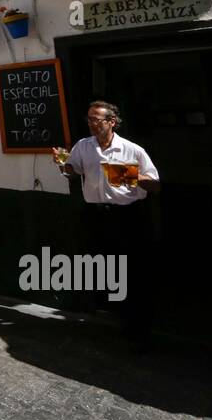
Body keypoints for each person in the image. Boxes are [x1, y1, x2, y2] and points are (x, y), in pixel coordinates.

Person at [53, 100, 160, 351]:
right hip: (96, 215)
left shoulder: (132, 150)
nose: (92, 124)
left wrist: (128, 175)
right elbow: (73, 171)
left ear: (111, 122)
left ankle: (139, 325)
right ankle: (115, 315)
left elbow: (155, 184)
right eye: (89, 119)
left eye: (97, 120)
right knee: (104, 266)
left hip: (127, 216)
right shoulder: (83, 146)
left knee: (133, 269)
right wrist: (61, 162)